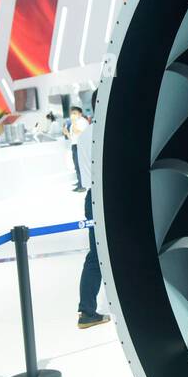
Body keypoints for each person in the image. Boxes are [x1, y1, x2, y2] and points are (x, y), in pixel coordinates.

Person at [75, 110, 109, 329]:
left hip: (92, 196)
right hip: (106, 196)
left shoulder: (84, 134)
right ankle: (87, 311)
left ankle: (87, 309)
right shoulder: (105, 133)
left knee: (96, 256)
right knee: (97, 257)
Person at [63, 106, 87, 191]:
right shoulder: (74, 123)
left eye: (75, 113)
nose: (72, 115)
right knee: (76, 166)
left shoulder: (82, 122)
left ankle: (82, 185)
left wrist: (73, 122)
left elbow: (79, 132)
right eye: (72, 114)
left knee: (80, 166)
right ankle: (79, 182)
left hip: (80, 146)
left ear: (80, 114)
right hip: (74, 145)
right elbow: (72, 137)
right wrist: (66, 133)